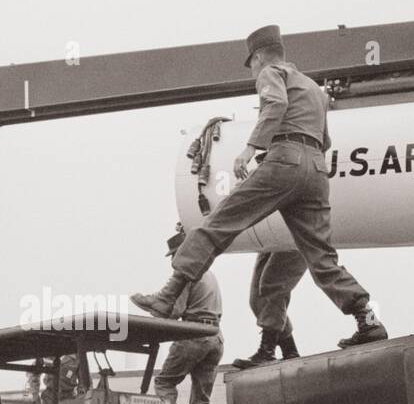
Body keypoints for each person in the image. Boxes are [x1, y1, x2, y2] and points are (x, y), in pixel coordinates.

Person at [133, 24, 387, 350]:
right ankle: (367, 318)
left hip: (284, 160)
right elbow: (325, 140)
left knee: (219, 223)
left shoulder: (270, 73)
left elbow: (276, 105)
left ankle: (168, 295)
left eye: (251, 63)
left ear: (258, 57)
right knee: (322, 258)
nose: (253, 69)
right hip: (315, 170)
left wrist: (252, 148)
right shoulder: (313, 88)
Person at [153, 226, 224, 404]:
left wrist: (156, 310)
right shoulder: (209, 273)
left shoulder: (187, 273)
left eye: (175, 254)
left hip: (194, 334)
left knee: (164, 382)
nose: (173, 260)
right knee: (201, 401)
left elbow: (175, 311)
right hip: (216, 336)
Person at [233, 250, 304, 368]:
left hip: (292, 236)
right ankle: (290, 350)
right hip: (271, 240)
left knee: (272, 286)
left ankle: (267, 352)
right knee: (258, 300)